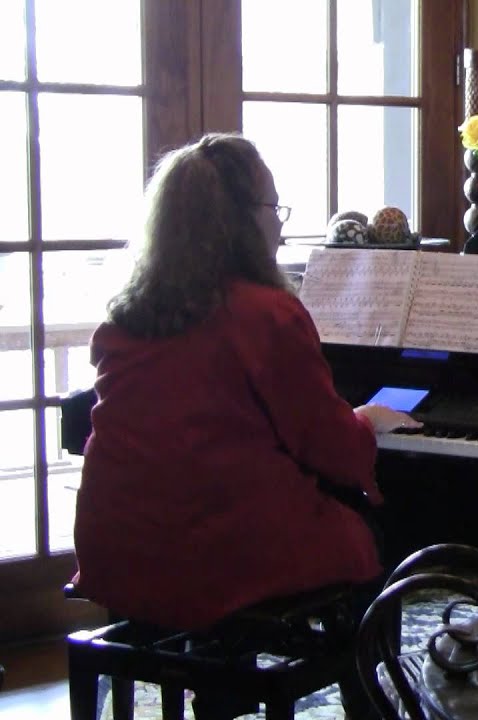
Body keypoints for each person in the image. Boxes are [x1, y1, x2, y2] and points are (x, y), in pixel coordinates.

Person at [73, 133, 421, 634]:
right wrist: (364, 420)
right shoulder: (268, 315)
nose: (278, 225)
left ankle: (217, 677)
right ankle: (367, 691)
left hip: (118, 549)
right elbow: (332, 448)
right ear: (240, 222)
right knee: (362, 535)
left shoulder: (127, 316)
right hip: (219, 558)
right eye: (273, 208)